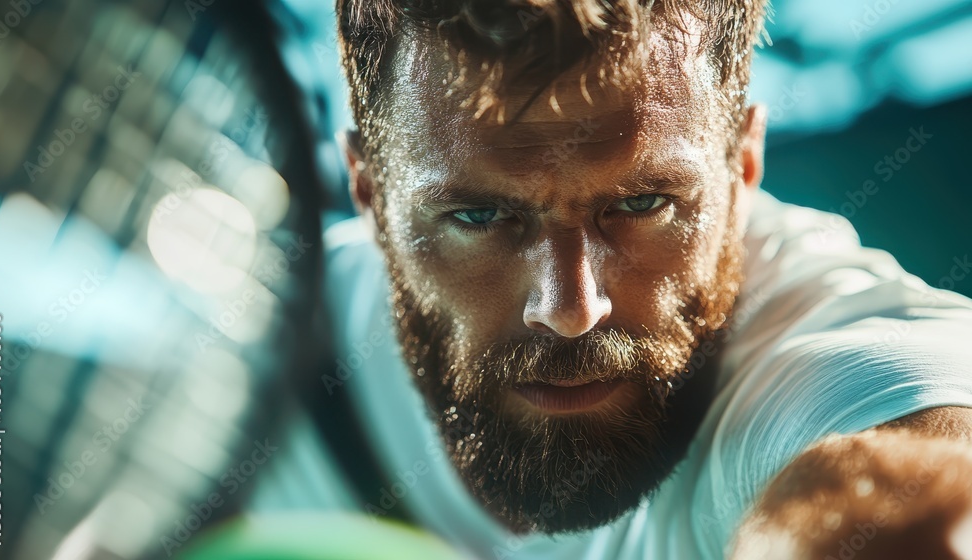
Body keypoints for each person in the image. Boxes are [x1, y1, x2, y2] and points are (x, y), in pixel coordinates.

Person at [251, 1, 972, 558]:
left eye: (642, 205)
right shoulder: (246, 357)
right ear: (369, 194)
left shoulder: (820, 358)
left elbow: (928, 477)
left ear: (744, 169)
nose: (569, 308)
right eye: (479, 215)